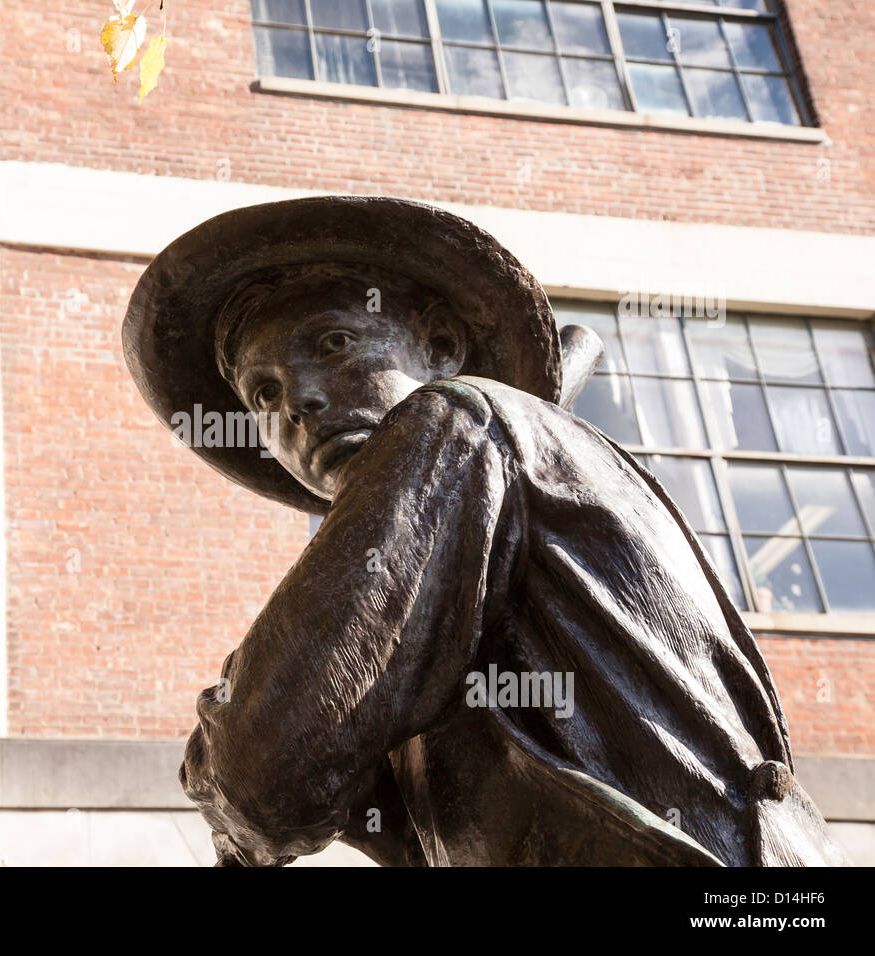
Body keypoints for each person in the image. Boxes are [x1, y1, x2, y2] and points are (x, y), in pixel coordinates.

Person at [121, 196, 848, 867]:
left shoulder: (452, 423)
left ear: (440, 346)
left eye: (335, 343)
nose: (300, 400)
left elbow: (265, 777)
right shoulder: (443, 579)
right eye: (264, 392)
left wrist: (232, 751)